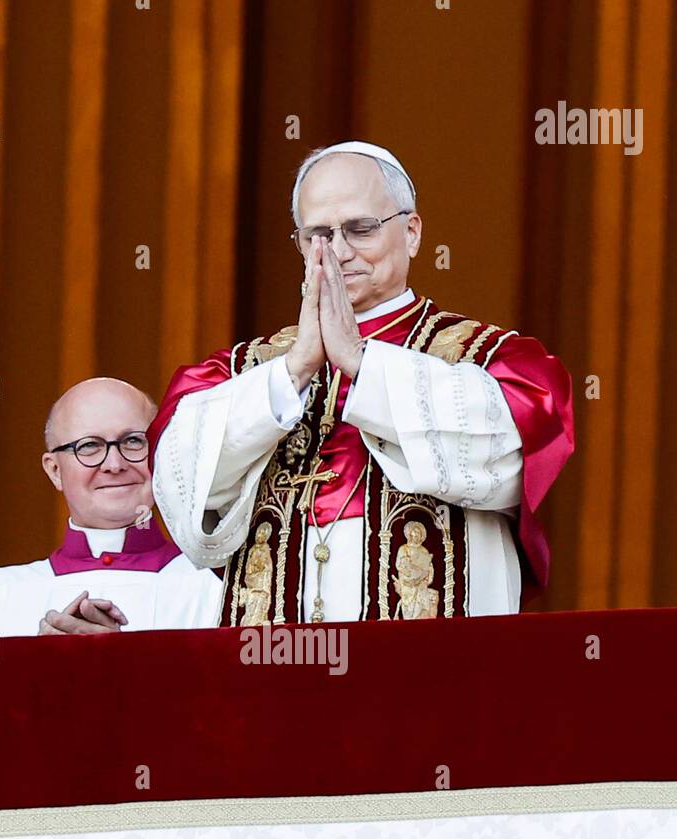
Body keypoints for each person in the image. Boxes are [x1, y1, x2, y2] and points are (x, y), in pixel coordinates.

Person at [149, 140, 574, 624]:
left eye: (360, 229)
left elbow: (508, 453)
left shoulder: (488, 358)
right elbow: (179, 478)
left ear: (412, 233)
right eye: (319, 235)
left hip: (429, 672)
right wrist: (292, 373)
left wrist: (360, 362)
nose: (340, 253)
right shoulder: (246, 369)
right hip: (276, 664)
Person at [0, 377, 221, 637]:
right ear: (54, 470)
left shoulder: (220, 592)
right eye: (89, 446)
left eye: (133, 441)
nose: (114, 464)